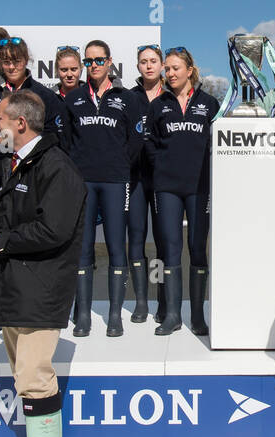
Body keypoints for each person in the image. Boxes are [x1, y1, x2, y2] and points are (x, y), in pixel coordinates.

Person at [0, 90, 85, 437]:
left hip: (41, 289)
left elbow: (54, 230)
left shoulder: (56, 167)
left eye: (0, 118)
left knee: (35, 378)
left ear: (20, 123)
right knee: (25, 376)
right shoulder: (16, 162)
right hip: (18, 286)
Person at [0, 35, 67, 337]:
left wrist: (28, 161)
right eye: (6, 60)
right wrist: (1, 159)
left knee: (19, 237)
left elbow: (55, 133)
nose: (11, 66)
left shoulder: (42, 94)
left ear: (26, 61)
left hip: (29, 178)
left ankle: (20, 305)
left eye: (16, 60)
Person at [64, 40, 144, 338]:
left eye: (99, 60)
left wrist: (120, 164)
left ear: (110, 62)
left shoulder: (126, 98)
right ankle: (83, 314)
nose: (94, 66)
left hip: (115, 181)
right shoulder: (74, 99)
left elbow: (137, 138)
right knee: (83, 247)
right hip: (83, 182)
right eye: (89, 61)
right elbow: (66, 142)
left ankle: (114, 315)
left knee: (114, 246)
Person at [144, 46, 219, 336]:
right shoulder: (158, 105)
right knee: (170, 250)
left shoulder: (210, 104)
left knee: (198, 249)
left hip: (200, 188)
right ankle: (173, 314)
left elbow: (217, 143)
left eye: (176, 68)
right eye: (168, 69)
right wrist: (162, 164)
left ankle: (198, 317)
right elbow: (148, 141)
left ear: (190, 71)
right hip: (167, 188)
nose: (170, 73)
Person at [129, 44, 165, 324]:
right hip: (136, 178)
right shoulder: (129, 98)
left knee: (165, 242)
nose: (149, 66)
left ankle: (164, 300)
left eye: (153, 61)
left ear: (162, 64)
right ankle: (142, 301)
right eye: (144, 62)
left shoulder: (171, 95)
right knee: (137, 239)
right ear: (138, 66)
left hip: (164, 179)